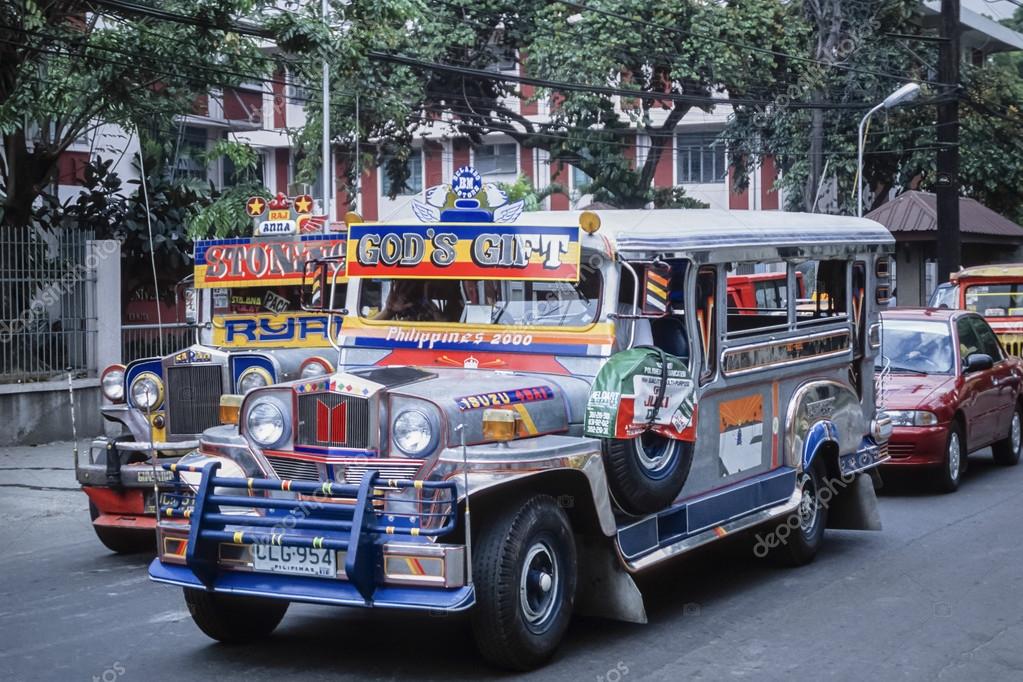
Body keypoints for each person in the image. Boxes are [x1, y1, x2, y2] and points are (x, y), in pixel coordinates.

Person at [374, 280, 445, 322]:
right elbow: (367, 330)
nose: (404, 288)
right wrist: (389, 310)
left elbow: (446, 329)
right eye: (400, 284)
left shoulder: (426, 307)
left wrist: (431, 306)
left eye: (409, 284)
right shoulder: (395, 307)